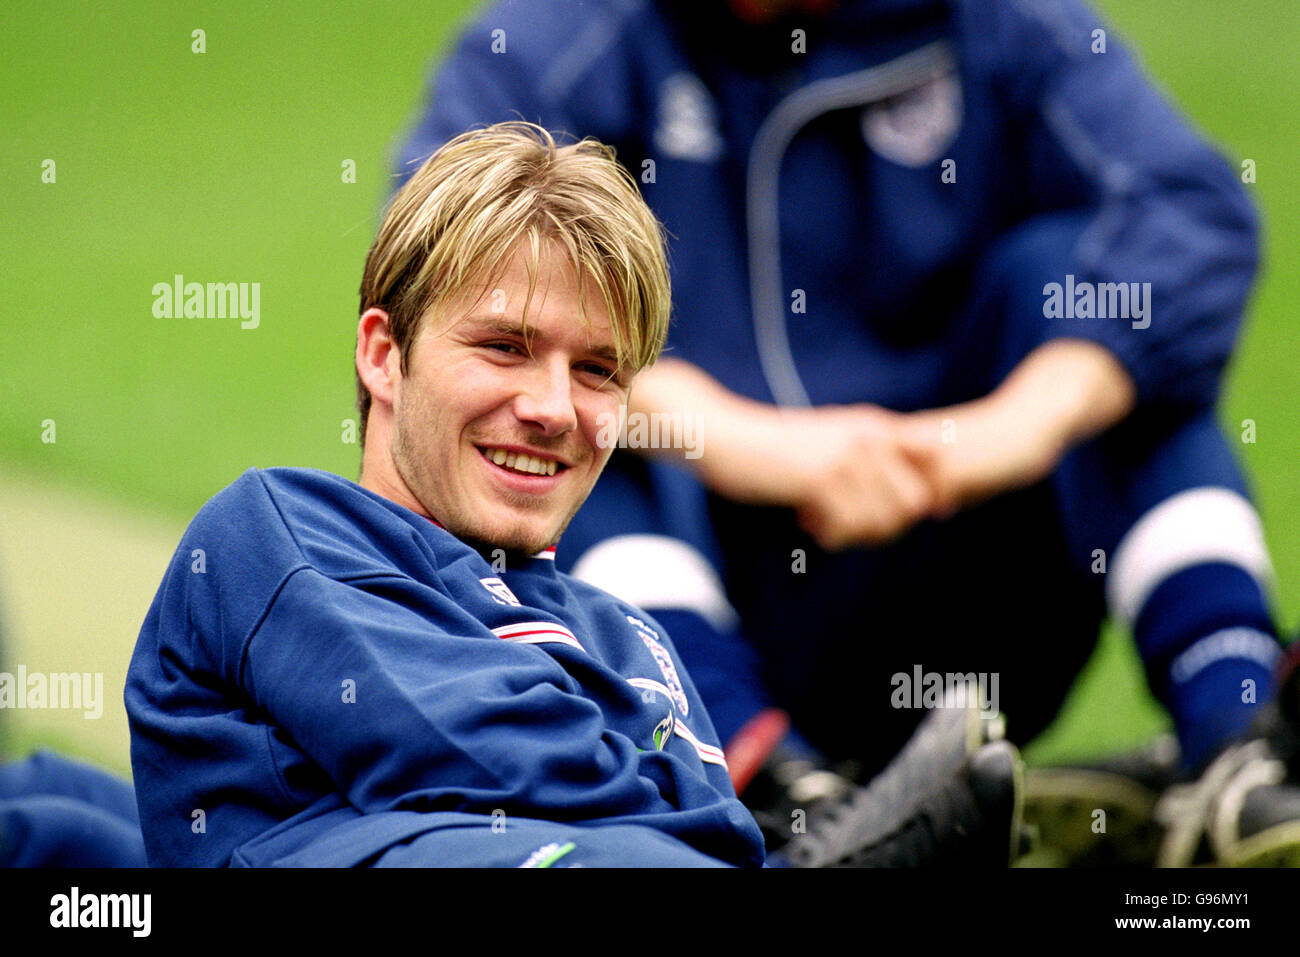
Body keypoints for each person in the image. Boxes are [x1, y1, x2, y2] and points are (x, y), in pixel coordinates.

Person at [396, 0, 1288, 858]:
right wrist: (748, 442)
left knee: (1088, 297)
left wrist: (1009, 427)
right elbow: (435, 273)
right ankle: (775, 799)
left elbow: (1193, 213)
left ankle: (1240, 745)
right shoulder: (564, 34)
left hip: (968, 592)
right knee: (573, 408)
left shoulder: (999, 18)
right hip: (701, 606)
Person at [124, 122, 1017, 868]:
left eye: (597, 369)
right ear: (383, 354)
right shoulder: (280, 537)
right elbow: (491, 759)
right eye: (505, 347)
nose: (552, 408)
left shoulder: (633, 635)